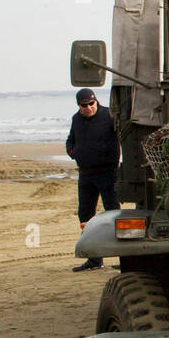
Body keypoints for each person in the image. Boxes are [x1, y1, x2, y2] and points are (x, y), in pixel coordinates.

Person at [66, 88, 120, 271]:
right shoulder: (76, 119)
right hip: (86, 174)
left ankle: (125, 259)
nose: (88, 108)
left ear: (96, 101)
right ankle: (95, 260)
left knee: (113, 214)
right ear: (79, 106)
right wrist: (73, 152)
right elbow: (70, 140)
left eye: (91, 104)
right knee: (85, 215)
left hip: (107, 173)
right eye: (84, 105)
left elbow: (124, 137)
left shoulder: (109, 115)